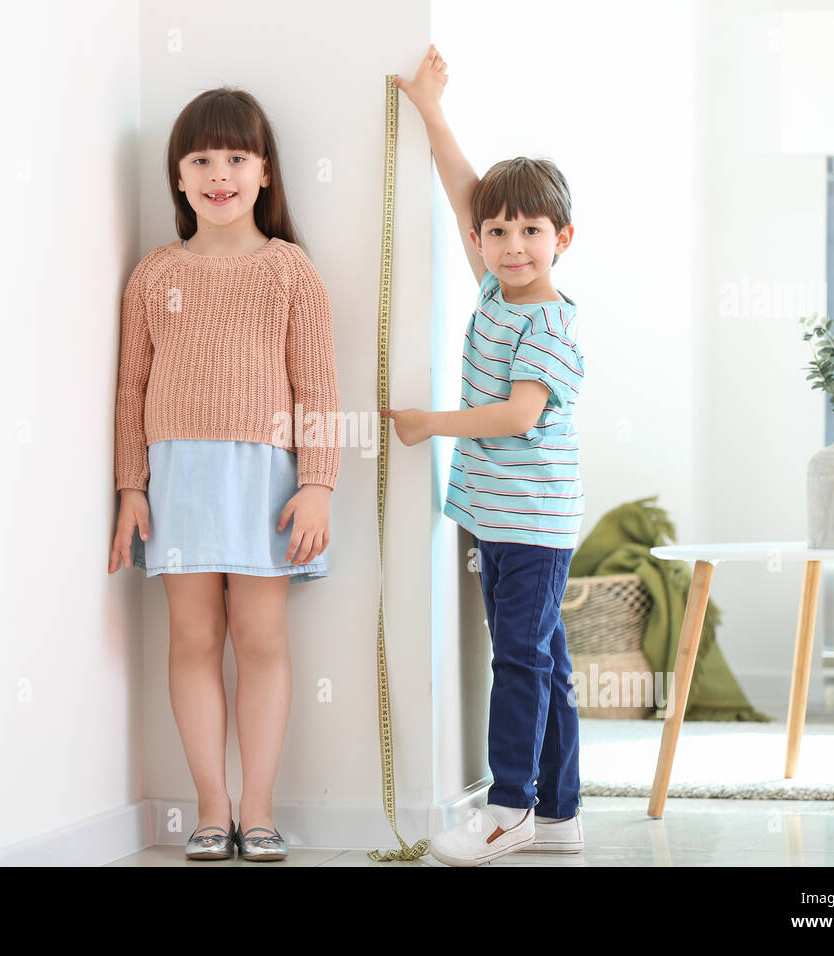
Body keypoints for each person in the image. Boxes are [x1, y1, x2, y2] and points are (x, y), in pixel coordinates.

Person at [108, 86, 341, 863]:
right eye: (201, 158)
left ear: (265, 172)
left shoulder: (290, 271)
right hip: (179, 477)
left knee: (261, 636)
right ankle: (211, 809)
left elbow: (320, 388)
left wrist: (318, 484)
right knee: (194, 636)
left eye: (236, 157)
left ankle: (260, 809)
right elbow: (130, 391)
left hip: (268, 482)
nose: (219, 173)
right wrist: (131, 487)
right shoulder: (151, 276)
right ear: (177, 177)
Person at [384, 45, 586, 866]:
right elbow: (463, 184)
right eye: (496, 232)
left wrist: (432, 423)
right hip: (504, 517)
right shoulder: (498, 290)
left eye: (529, 232)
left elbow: (516, 415)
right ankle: (561, 812)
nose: (510, 244)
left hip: (533, 522)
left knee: (522, 662)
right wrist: (431, 107)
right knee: (546, 663)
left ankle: (508, 809)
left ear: (562, 238)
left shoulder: (551, 324)